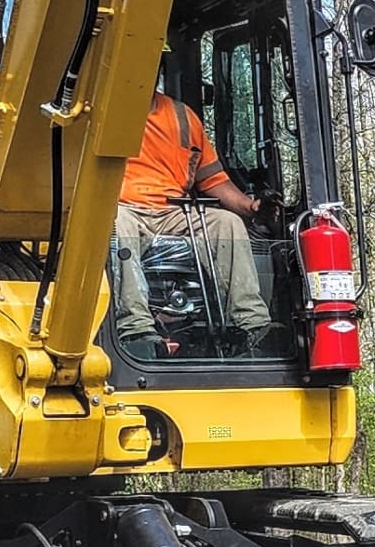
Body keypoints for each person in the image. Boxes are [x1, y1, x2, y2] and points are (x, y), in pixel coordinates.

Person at [111, 77, 274, 358]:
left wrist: (249, 207)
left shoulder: (182, 117)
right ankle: (136, 328)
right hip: (120, 208)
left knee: (228, 223)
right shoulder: (100, 109)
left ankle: (252, 325)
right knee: (117, 223)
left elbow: (212, 179)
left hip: (172, 212)